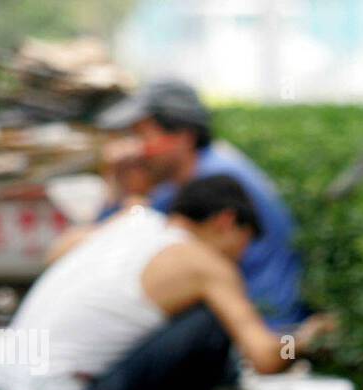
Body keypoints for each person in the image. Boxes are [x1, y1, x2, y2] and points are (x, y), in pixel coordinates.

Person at [0, 174, 334, 390]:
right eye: (243, 242)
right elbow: (264, 357)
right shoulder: (202, 263)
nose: (240, 258)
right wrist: (306, 339)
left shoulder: (132, 224)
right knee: (211, 326)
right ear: (226, 222)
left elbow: (55, 252)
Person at [88, 79, 305, 329]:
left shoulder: (213, 181)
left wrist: (120, 188)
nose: (136, 150)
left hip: (266, 324)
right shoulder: (188, 176)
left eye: (142, 136)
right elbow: (109, 243)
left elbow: (117, 244)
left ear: (183, 137)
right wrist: (119, 184)